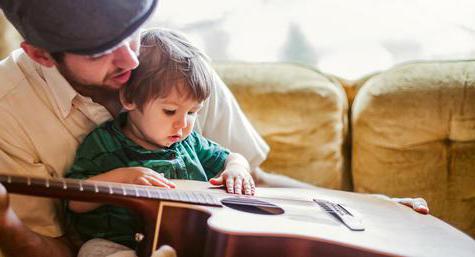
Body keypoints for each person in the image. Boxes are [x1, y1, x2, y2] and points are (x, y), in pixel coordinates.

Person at [0, 1, 428, 257]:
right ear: (40, 55)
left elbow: (255, 186)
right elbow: (49, 246)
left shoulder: (176, 65)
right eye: (100, 51)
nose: (131, 61)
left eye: (131, 34)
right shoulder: (9, 111)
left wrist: (376, 208)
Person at [65, 28, 255, 256]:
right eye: (170, 111)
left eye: (193, 112)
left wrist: (237, 169)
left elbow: (231, 157)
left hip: (186, 240)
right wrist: (124, 177)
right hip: (120, 243)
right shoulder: (104, 143)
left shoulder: (190, 143)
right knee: (93, 251)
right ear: (129, 98)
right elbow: (75, 202)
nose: (183, 124)